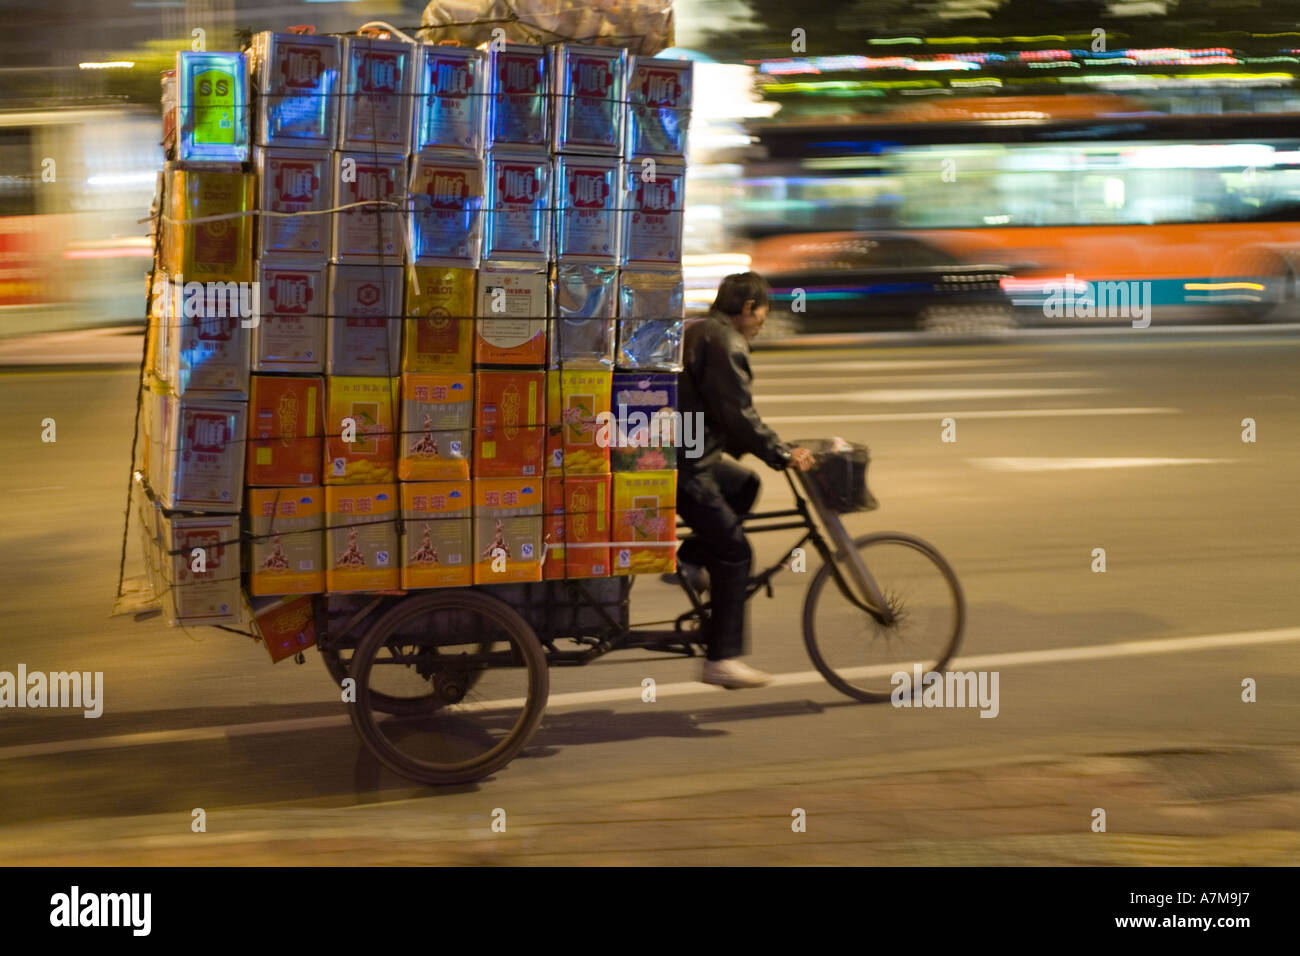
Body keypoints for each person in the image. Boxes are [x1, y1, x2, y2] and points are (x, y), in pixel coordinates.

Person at [676, 272, 816, 689]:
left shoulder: (700, 328)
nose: (760, 324)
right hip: (685, 464)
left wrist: (773, 450)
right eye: (761, 315)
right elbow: (737, 413)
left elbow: (726, 418)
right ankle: (721, 659)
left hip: (683, 454)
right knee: (736, 551)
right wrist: (781, 453)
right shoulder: (725, 340)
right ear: (749, 308)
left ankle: (689, 561)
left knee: (743, 485)